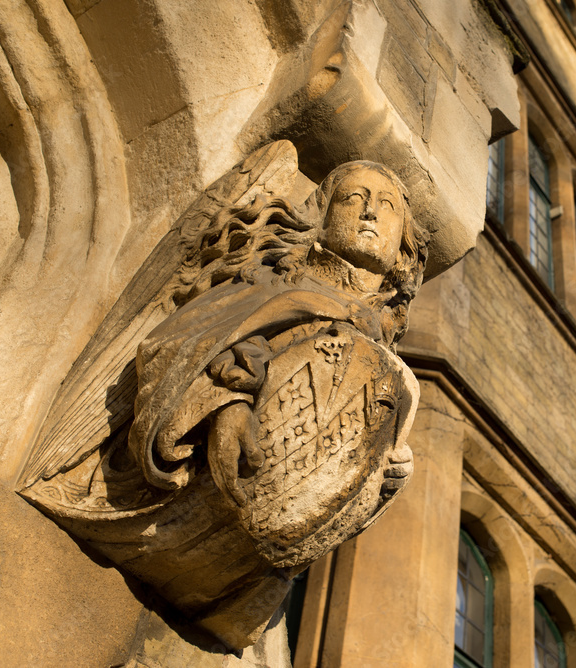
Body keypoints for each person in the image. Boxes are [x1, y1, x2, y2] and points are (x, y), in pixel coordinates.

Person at [127, 161, 428, 497]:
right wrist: (228, 402)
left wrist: (389, 468)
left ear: (405, 247)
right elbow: (171, 342)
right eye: (353, 198)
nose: (370, 212)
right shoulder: (271, 283)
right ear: (322, 221)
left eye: (387, 205)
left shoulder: (383, 338)